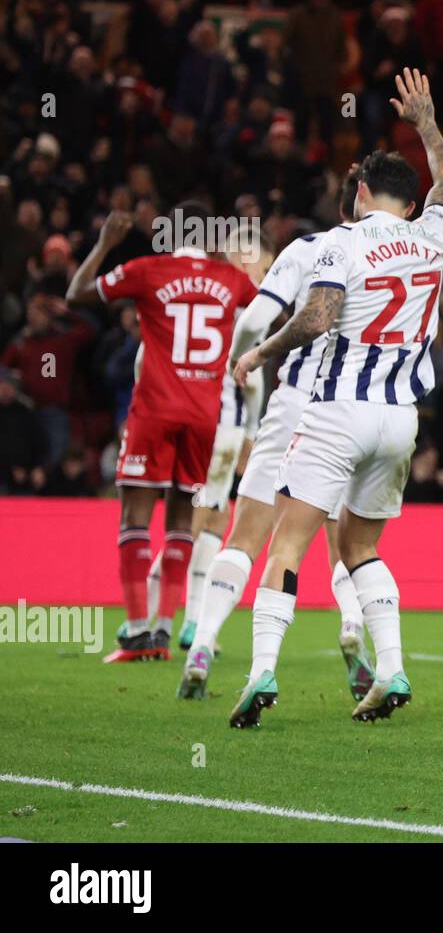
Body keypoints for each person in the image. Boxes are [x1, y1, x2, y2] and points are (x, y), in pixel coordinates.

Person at [227, 67, 443, 728]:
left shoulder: (340, 241)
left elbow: (318, 317)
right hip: (400, 420)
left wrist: (262, 351)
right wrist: (426, 120)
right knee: (363, 548)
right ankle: (391, 667)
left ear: (359, 193)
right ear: (411, 206)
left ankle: (261, 670)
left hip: (336, 411)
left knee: (287, 547)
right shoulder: (432, 238)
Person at [177, 171, 373, 702]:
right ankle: (353, 624)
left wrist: (247, 371)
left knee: (246, 535)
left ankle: (205, 641)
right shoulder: (394, 257)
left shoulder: (305, 249)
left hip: (288, 403)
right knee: (343, 541)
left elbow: (253, 322)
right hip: (350, 410)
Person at [66, 212, 258, 661]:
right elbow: (276, 309)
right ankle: (163, 632)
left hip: (155, 410)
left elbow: (76, 295)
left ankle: (136, 631)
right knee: (180, 525)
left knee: (134, 517)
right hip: (204, 417)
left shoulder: (147, 270)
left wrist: (103, 244)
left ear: (169, 233)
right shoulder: (231, 279)